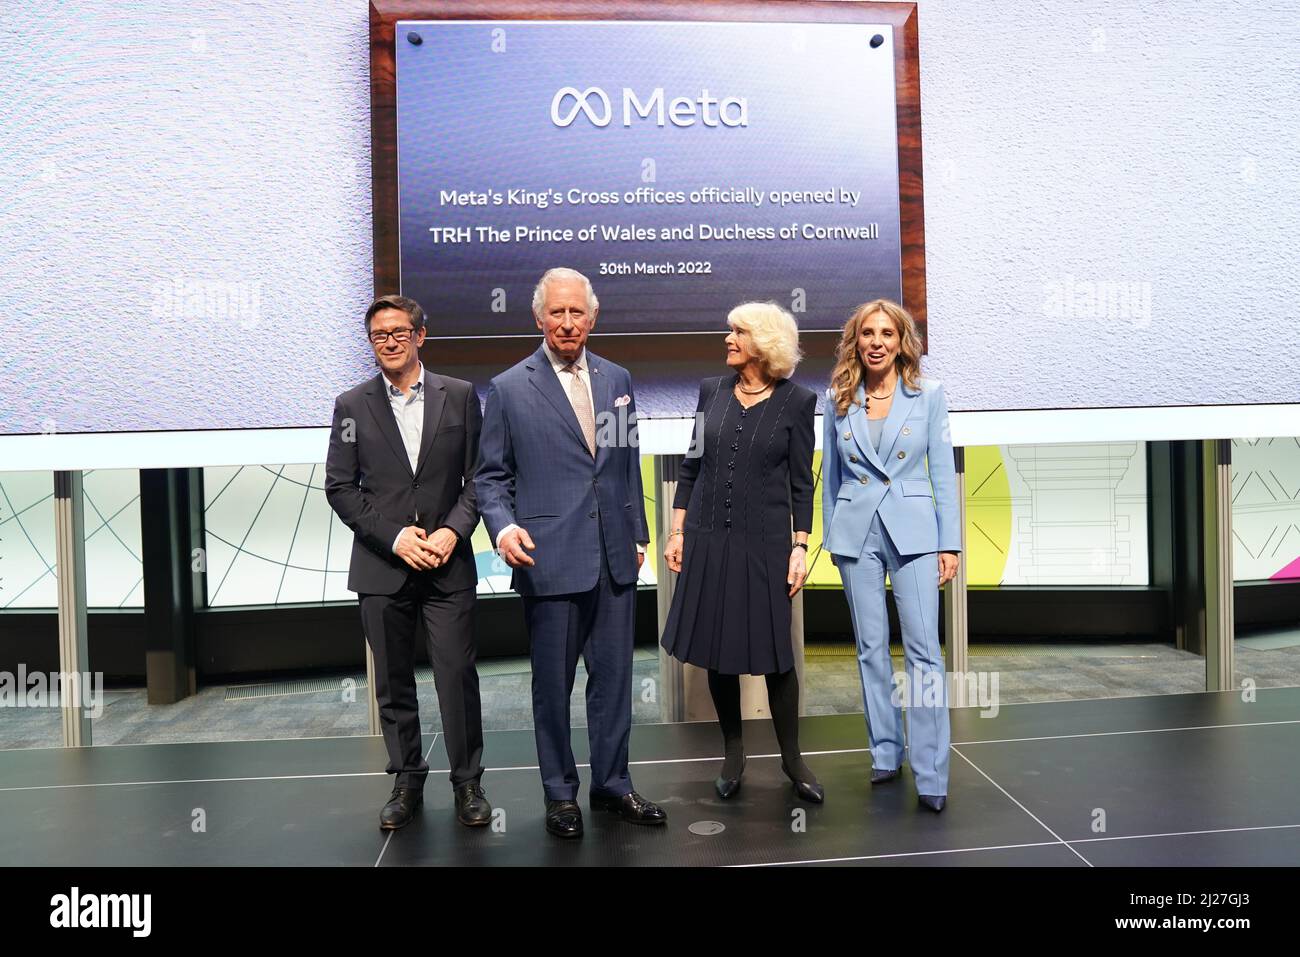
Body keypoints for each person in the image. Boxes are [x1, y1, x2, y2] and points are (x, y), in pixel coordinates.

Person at [474, 267, 666, 839]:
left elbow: (625, 464)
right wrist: (503, 530)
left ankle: (613, 783)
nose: (566, 322)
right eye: (555, 313)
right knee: (552, 688)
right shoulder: (509, 388)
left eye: (575, 312)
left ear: (592, 316)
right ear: (539, 318)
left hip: (614, 558)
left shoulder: (616, 379)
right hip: (548, 558)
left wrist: (638, 537)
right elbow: (490, 478)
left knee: (613, 682)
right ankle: (560, 795)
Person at [324, 294, 490, 830]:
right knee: (393, 683)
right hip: (382, 564)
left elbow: (480, 480)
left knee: (456, 676)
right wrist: (396, 539)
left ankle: (468, 784)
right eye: (378, 336)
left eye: (398, 332)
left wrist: (450, 532)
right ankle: (406, 781)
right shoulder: (351, 405)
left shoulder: (460, 397)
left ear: (420, 335)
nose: (389, 342)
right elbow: (341, 488)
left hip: (448, 564)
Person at [660, 302, 822, 803]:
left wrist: (800, 547)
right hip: (709, 537)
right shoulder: (712, 391)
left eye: (738, 331)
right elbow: (691, 466)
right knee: (717, 648)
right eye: (729, 329)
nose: (727, 338)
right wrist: (677, 530)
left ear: (764, 343)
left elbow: (800, 483)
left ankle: (793, 761)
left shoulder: (798, 401)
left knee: (776, 655)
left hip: (767, 544)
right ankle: (734, 754)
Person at [821, 299, 962, 813]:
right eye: (867, 333)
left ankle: (930, 772)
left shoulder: (929, 395)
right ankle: (884, 751)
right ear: (854, 341)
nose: (876, 342)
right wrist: (832, 538)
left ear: (903, 341)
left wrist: (950, 542)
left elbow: (942, 473)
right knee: (869, 649)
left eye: (887, 333)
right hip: (856, 536)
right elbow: (831, 480)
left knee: (925, 653)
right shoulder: (837, 397)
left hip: (916, 536)